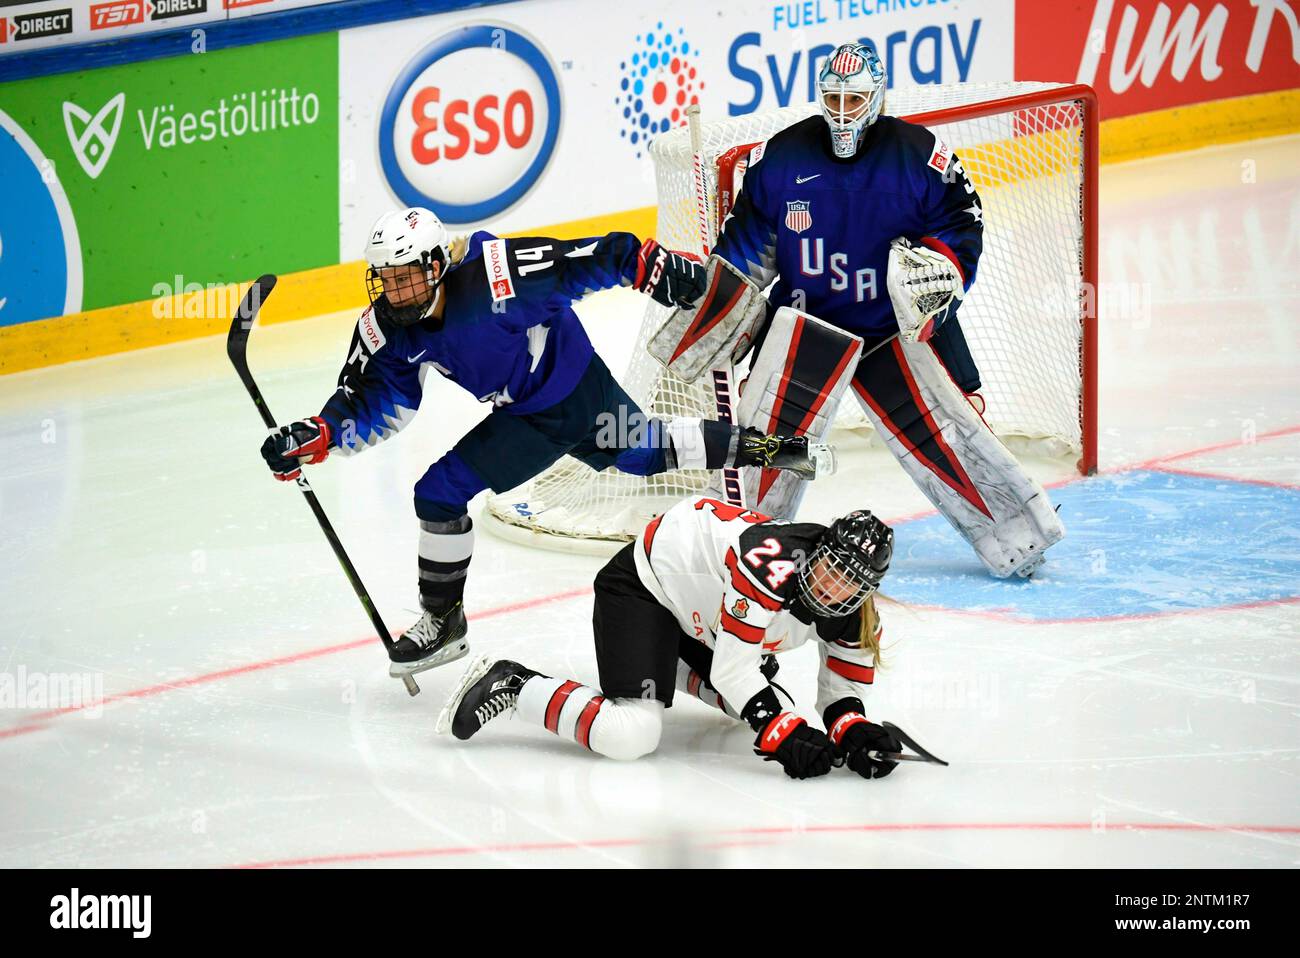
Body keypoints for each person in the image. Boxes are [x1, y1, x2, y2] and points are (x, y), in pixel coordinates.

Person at [260, 208, 829, 680]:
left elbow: (591, 256)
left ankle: (443, 622)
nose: (396, 289)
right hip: (542, 405)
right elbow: (369, 399)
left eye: (406, 274)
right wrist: (320, 435)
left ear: (436, 265)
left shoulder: (496, 275)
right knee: (631, 455)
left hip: (565, 401)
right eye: (385, 277)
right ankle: (765, 447)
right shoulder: (385, 330)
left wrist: (653, 269)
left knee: (621, 456)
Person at [692, 42, 1064, 578]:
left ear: (877, 96)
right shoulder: (782, 157)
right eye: (833, 98)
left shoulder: (918, 154)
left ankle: (1019, 538)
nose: (843, 111)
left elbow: (962, 223)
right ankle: (737, 548)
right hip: (807, 329)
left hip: (889, 328)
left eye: (855, 98)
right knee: (767, 451)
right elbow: (749, 248)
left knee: (944, 438)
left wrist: (942, 269)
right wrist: (724, 305)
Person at [438, 495, 903, 782]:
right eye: (829, 568)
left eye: (848, 581)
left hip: (698, 614)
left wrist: (852, 728)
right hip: (645, 589)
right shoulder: (770, 565)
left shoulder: (856, 614)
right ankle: (516, 685)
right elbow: (733, 669)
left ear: (866, 590)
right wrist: (781, 733)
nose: (830, 586)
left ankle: (665, 666)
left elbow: (842, 687)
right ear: (818, 551)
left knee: (768, 700)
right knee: (632, 733)